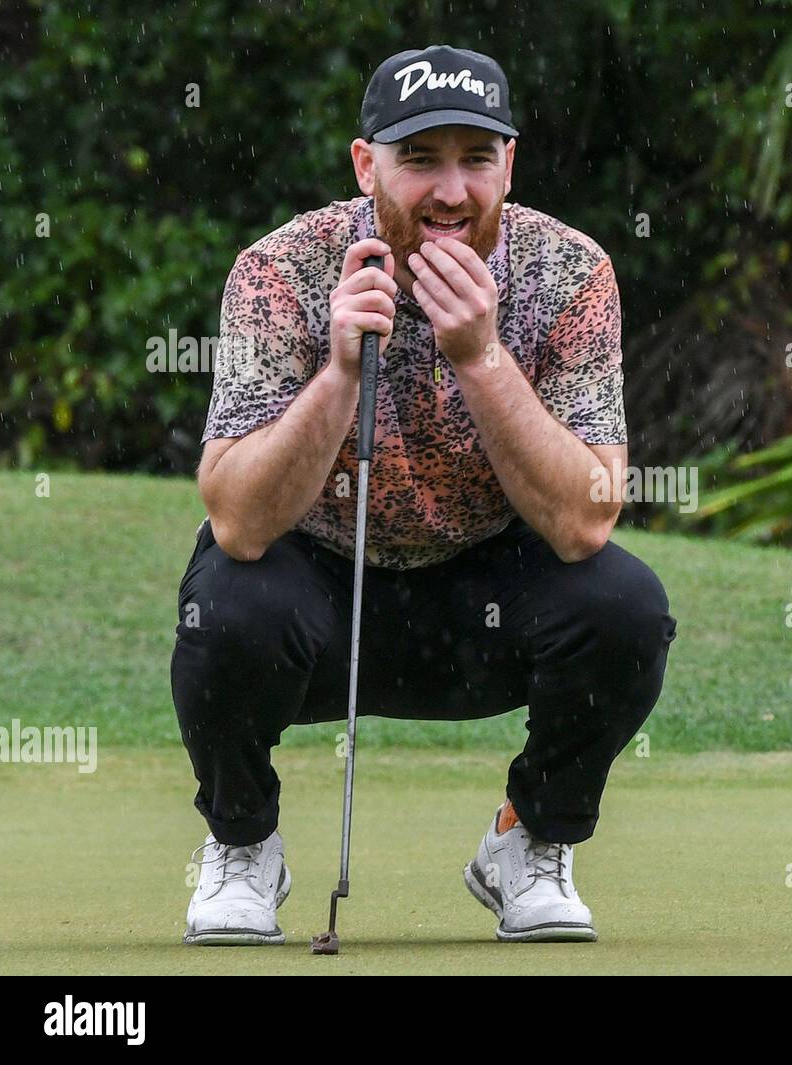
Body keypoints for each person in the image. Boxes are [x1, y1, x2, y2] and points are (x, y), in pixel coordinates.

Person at [171, 44, 677, 945]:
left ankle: (532, 839)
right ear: (367, 166)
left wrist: (481, 358)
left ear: (509, 165)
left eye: (476, 159)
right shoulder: (278, 272)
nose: (451, 190)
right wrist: (336, 375)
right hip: (318, 595)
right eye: (421, 159)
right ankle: (243, 845)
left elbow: (588, 514)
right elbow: (237, 518)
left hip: (489, 597)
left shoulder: (571, 274)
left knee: (626, 606)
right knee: (226, 605)